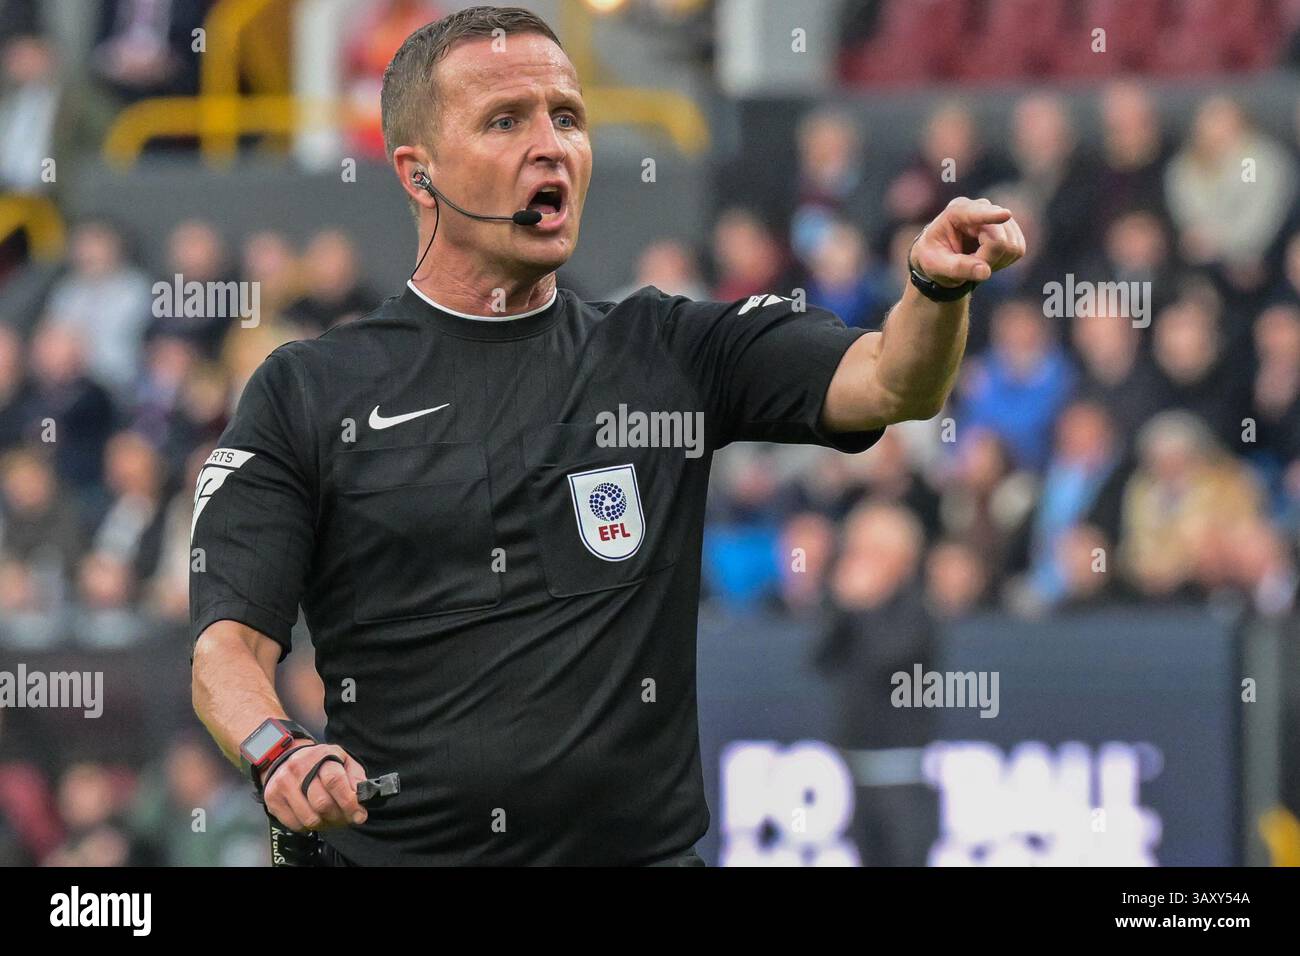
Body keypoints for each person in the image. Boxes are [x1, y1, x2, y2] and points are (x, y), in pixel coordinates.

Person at [189, 5, 1026, 867]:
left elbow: (893, 381)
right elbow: (227, 647)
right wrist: (278, 748)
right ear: (418, 174)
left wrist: (933, 286)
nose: (550, 144)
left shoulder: (668, 349)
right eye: (505, 120)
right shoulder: (308, 390)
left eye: (568, 116)